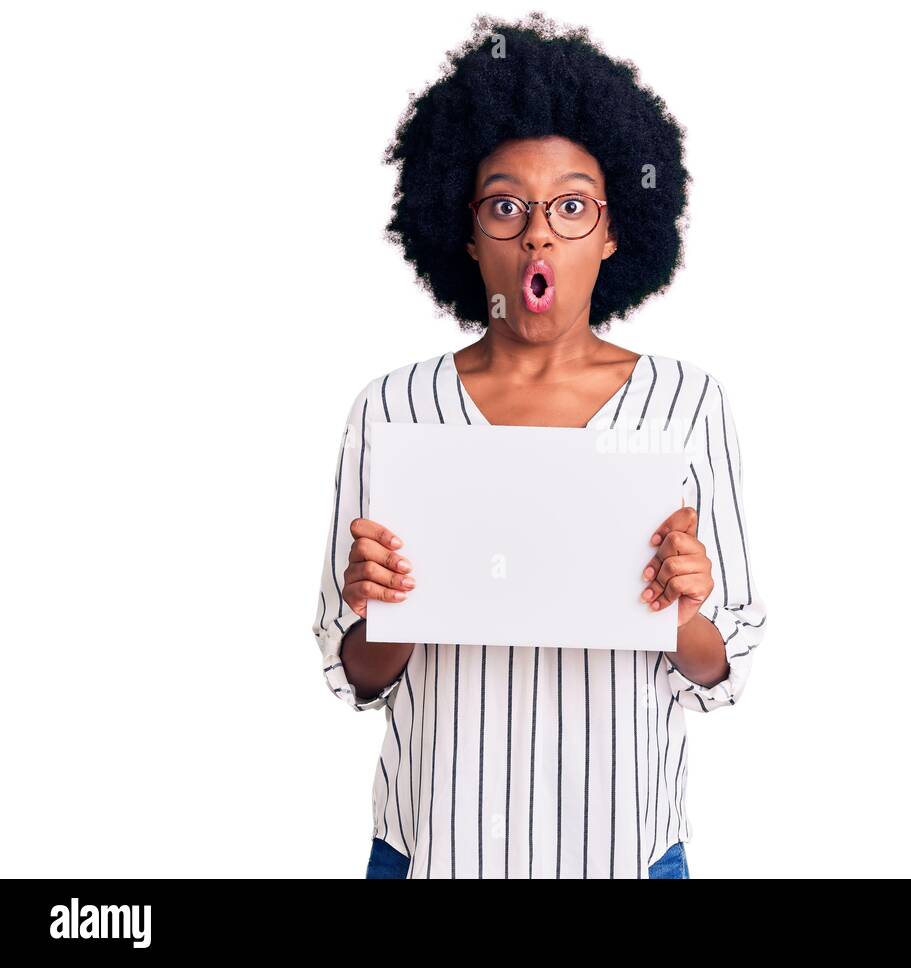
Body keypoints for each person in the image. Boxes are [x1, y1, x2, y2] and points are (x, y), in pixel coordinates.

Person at [312, 12, 766, 879]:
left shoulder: (687, 404)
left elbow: (724, 666)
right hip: (431, 852)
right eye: (505, 205)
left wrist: (682, 613)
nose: (538, 233)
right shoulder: (394, 408)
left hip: (623, 853)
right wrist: (384, 610)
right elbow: (356, 673)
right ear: (467, 230)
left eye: (570, 206)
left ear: (614, 229)